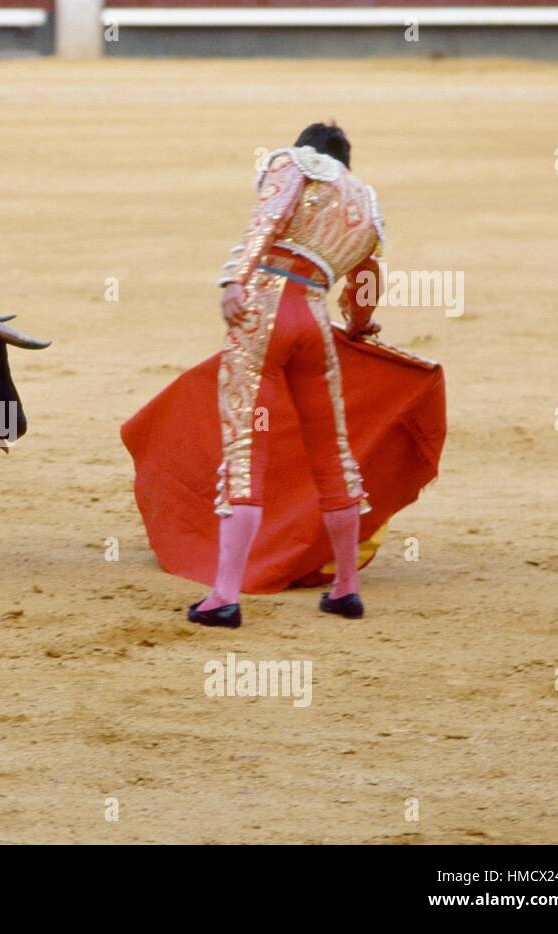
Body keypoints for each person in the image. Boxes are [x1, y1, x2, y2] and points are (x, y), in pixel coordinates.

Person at [188, 122, 384, 628]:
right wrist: (360, 327)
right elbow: (365, 280)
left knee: (245, 446)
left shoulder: (295, 163)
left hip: (264, 308)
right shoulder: (364, 204)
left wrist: (235, 278)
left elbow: (268, 218)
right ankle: (346, 588)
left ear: (309, 148)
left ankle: (225, 597)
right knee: (332, 452)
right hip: (314, 321)